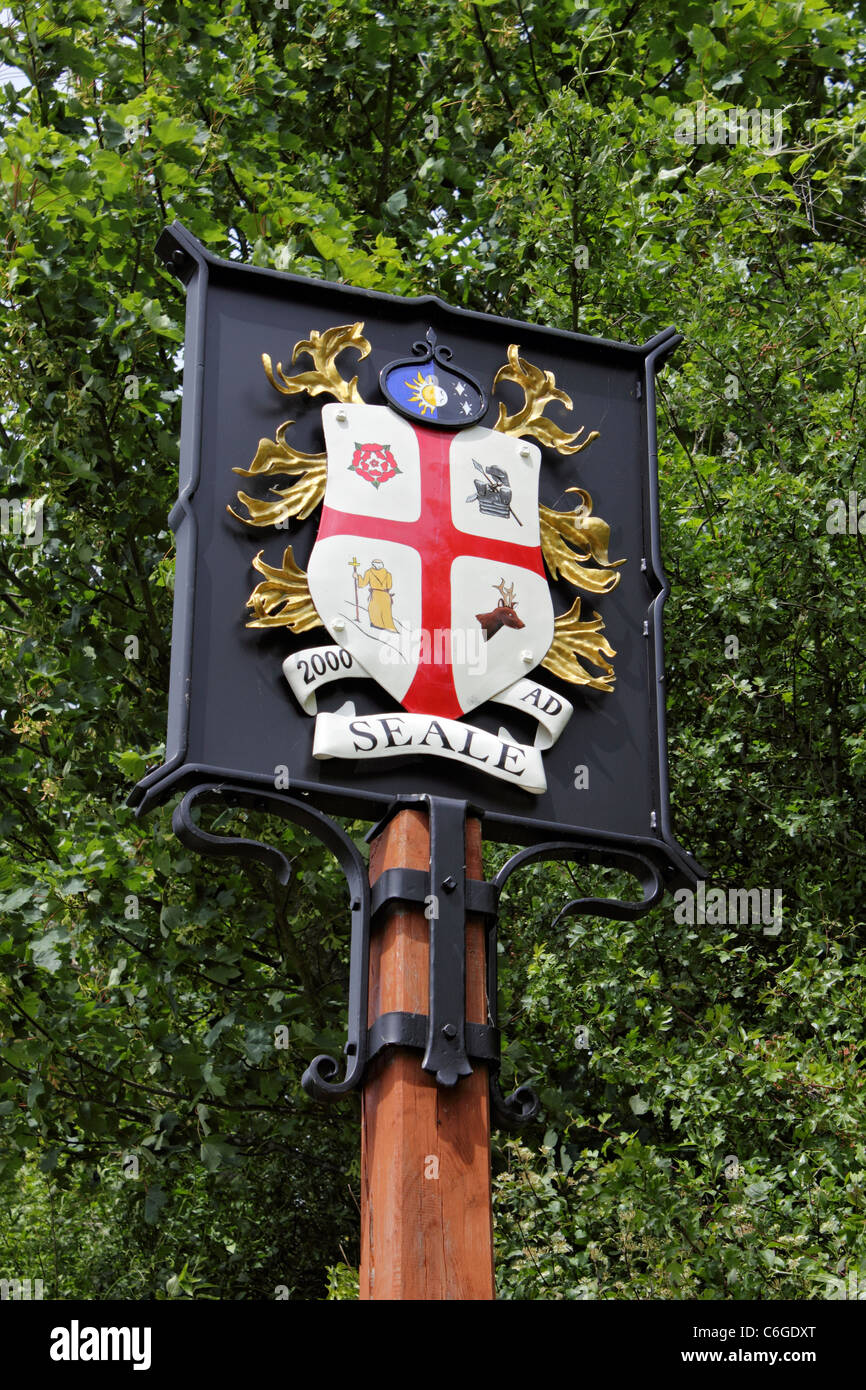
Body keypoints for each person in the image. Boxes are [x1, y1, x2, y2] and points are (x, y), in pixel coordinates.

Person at [357, 559, 397, 631]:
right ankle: (388, 626)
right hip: (385, 595)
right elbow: (389, 586)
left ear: (373, 565)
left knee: (373, 609)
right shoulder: (388, 574)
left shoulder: (369, 572)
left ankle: (377, 625)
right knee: (386, 611)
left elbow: (362, 584)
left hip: (376, 595)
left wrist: (358, 577)